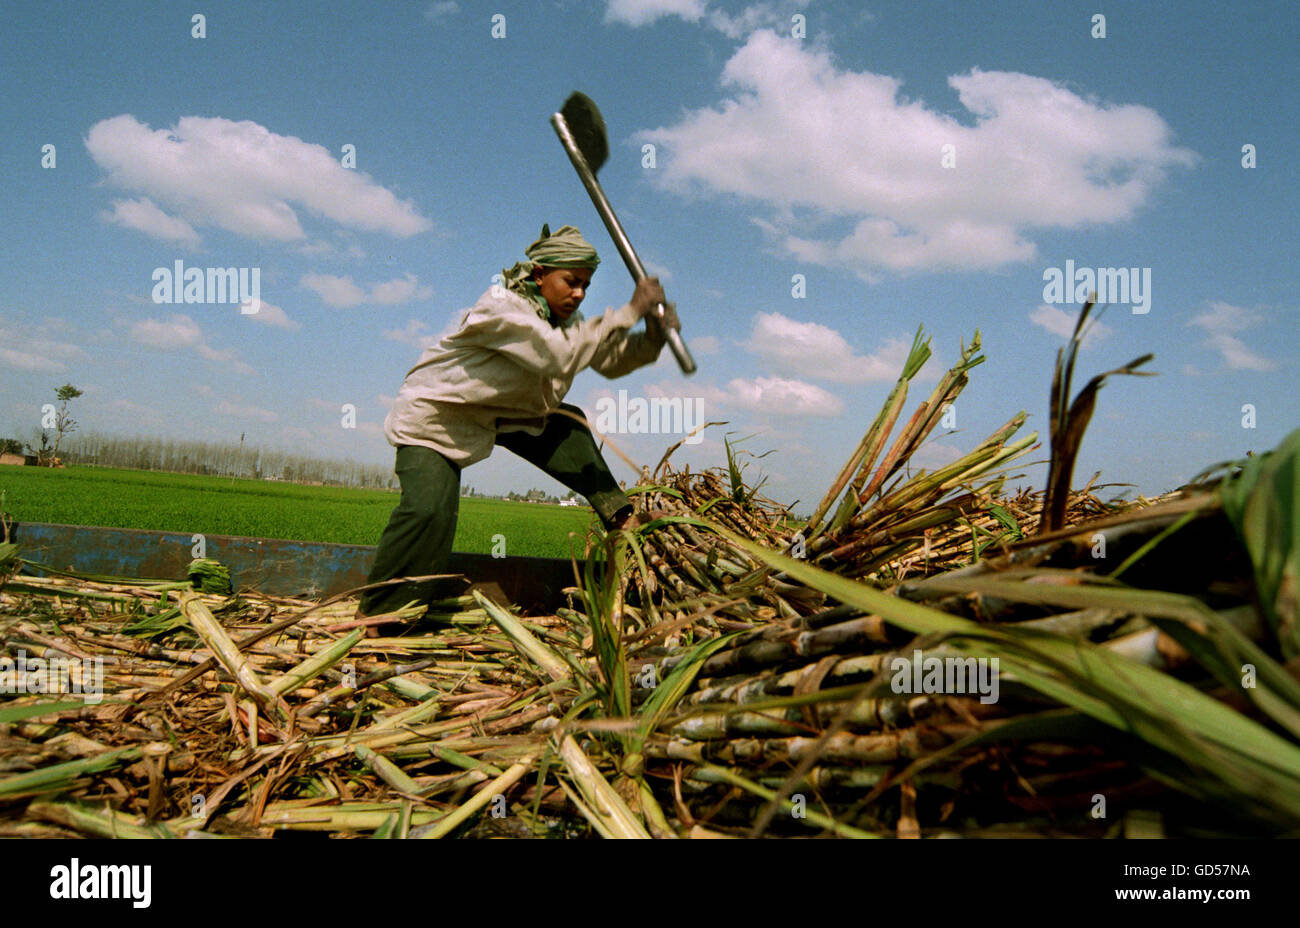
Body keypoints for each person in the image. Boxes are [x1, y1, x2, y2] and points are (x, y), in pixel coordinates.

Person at [356, 223, 678, 623]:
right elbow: (554, 356)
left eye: (586, 285)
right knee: (428, 512)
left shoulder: (568, 326)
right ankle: (381, 619)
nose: (578, 293)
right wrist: (630, 311)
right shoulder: (502, 308)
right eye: (571, 281)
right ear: (540, 274)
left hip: (494, 418)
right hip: (434, 421)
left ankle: (621, 518)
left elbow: (609, 360)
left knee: (566, 423)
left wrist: (652, 338)